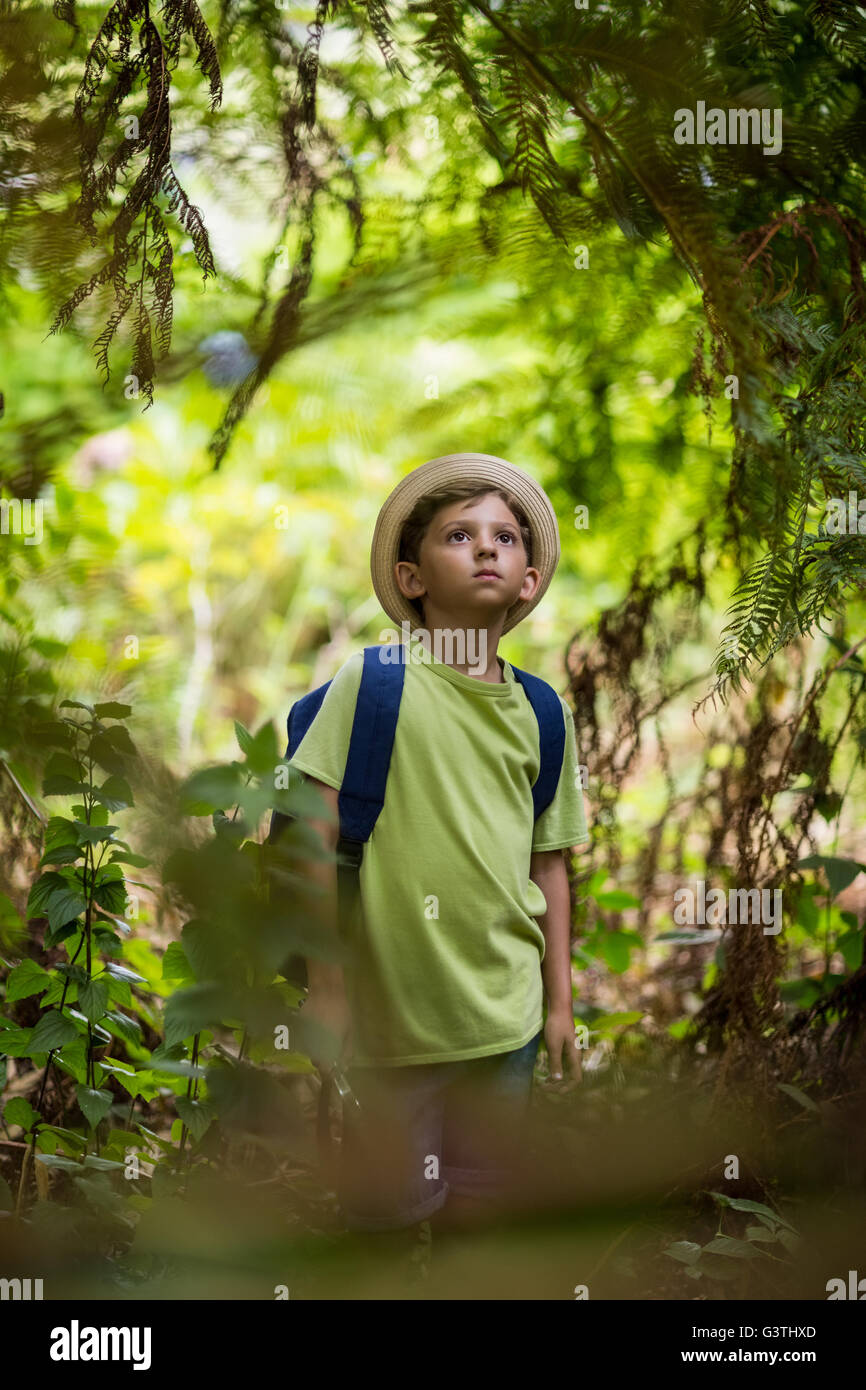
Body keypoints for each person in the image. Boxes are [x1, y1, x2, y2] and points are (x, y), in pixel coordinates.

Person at [287, 452, 590, 1251]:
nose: (488, 547)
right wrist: (327, 989)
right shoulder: (373, 683)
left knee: (479, 1222)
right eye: (460, 535)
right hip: (391, 1028)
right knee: (382, 1228)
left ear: (527, 581)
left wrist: (559, 1007)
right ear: (412, 577)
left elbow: (549, 866)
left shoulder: (541, 713)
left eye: (506, 536)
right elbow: (315, 831)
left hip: (507, 1024)